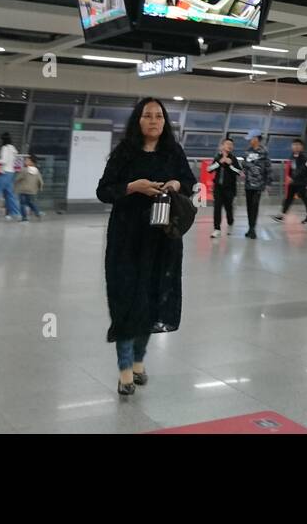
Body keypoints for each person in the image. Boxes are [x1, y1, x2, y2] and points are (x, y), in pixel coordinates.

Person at [96, 98, 196, 396]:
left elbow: (189, 182)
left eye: (159, 116)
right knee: (126, 300)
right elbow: (104, 190)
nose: (154, 121)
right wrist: (133, 187)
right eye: (147, 116)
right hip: (126, 239)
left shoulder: (172, 151)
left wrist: (175, 185)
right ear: (137, 121)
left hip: (162, 239)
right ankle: (125, 371)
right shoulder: (124, 153)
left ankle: (139, 362)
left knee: (151, 300)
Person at [207, 137, 242, 238]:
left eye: (231, 145)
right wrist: (219, 162)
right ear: (222, 146)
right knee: (217, 208)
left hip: (229, 189)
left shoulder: (233, 158)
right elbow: (209, 169)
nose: (229, 146)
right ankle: (216, 229)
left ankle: (230, 223)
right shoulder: (218, 157)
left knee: (229, 208)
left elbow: (239, 172)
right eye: (227, 144)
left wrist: (230, 164)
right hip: (218, 188)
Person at [273, 138, 307, 224]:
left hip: (302, 182)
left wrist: (294, 178)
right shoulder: (291, 157)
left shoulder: (304, 158)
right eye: (294, 145)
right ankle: (282, 215)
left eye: (298, 145)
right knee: (288, 199)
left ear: (302, 147)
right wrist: (289, 177)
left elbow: (302, 170)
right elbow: (291, 168)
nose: (296, 147)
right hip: (293, 183)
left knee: (305, 199)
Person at [241, 134, 271, 239]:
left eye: (252, 138)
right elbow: (244, 164)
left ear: (257, 139)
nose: (250, 140)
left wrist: (268, 183)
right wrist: (243, 171)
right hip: (248, 183)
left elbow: (268, 167)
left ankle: (253, 228)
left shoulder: (264, 151)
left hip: (259, 183)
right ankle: (250, 228)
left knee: (255, 205)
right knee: (249, 206)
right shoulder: (247, 151)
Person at [15, 154, 44, 222]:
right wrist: (40, 188)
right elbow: (40, 181)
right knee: (30, 203)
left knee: (22, 204)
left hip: (23, 190)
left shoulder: (24, 170)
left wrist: (15, 184)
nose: (25, 161)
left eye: (27, 160)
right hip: (32, 191)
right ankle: (37, 213)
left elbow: (17, 178)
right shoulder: (37, 171)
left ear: (31, 162)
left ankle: (24, 218)